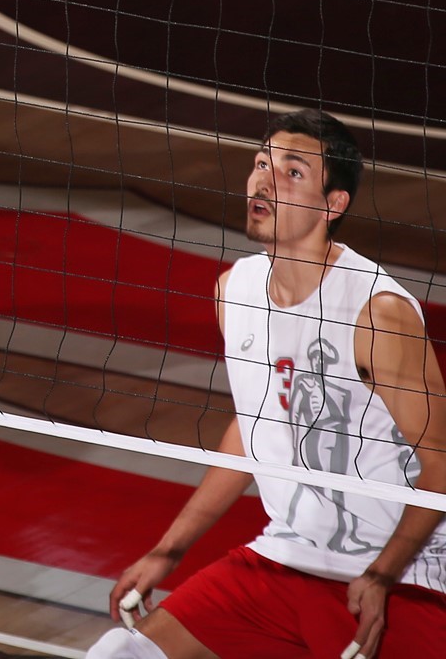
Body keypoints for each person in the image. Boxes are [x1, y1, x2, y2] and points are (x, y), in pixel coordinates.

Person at [91, 110, 446, 659]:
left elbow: (443, 462)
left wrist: (380, 577)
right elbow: (255, 425)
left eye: (293, 171)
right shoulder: (235, 290)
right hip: (284, 558)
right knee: (119, 653)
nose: (264, 180)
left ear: (334, 204)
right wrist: (170, 549)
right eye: (262, 163)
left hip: (402, 574)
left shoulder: (378, 314)